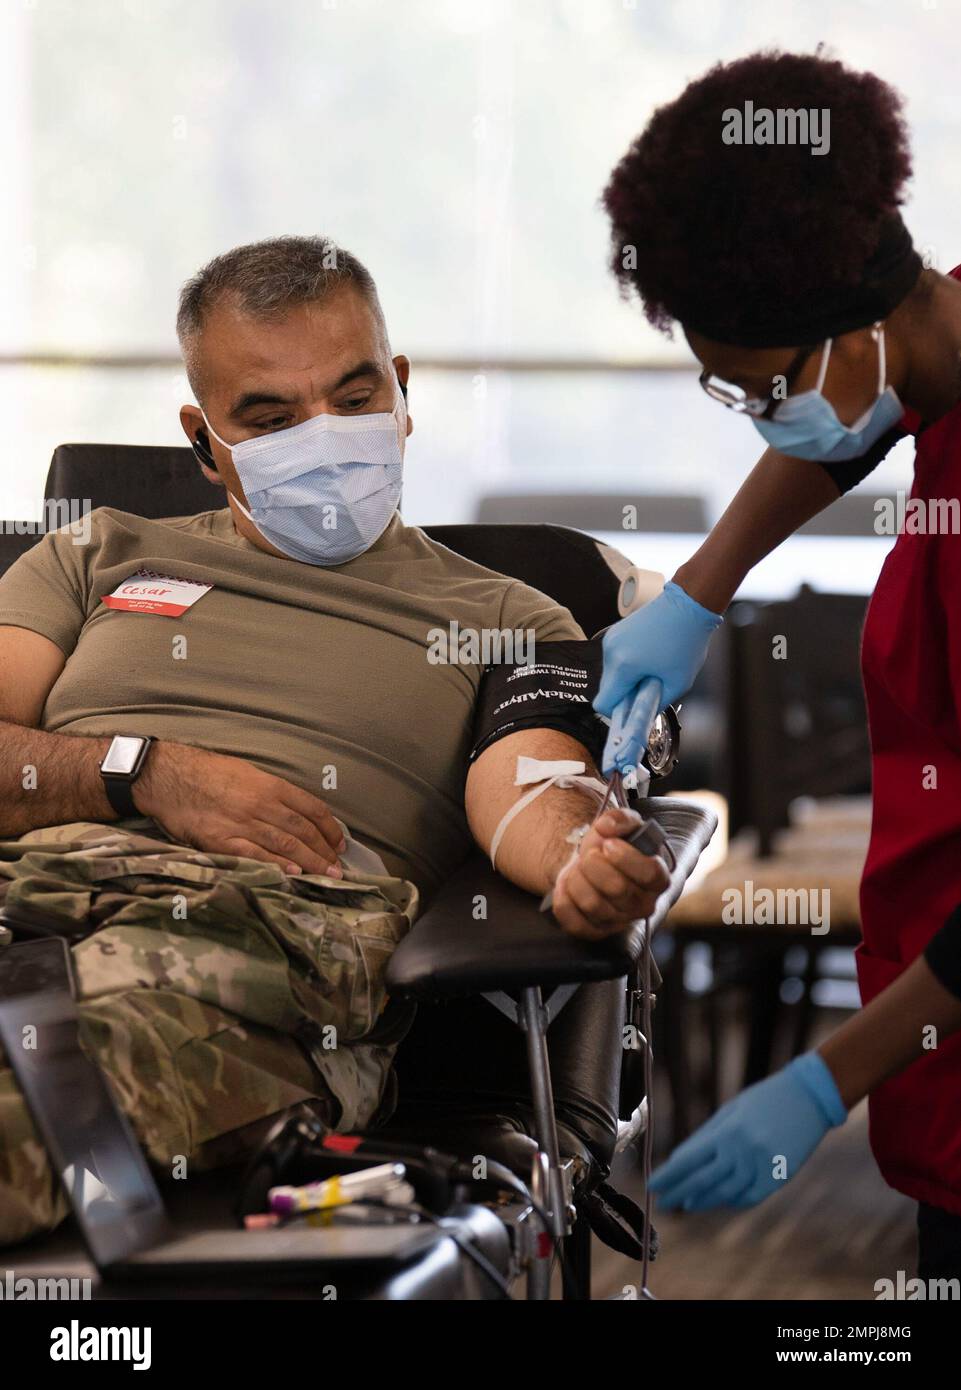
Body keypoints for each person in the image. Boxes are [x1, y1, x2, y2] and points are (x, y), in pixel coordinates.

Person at [0, 235, 670, 1243]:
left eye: (352, 400)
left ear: (400, 389)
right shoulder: (94, 556)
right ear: (202, 438)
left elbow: (529, 785)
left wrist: (580, 854)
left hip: (238, 967)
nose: (321, 436)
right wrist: (144, 773)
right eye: (270, 418)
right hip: (32, 908)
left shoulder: (509, 614)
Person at [593, 50, 961, 1277]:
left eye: (764, 388)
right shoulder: (930, 330)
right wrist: (700, 588)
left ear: (857, 328)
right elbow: (873, 415)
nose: (759, 419)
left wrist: (825, 1079)